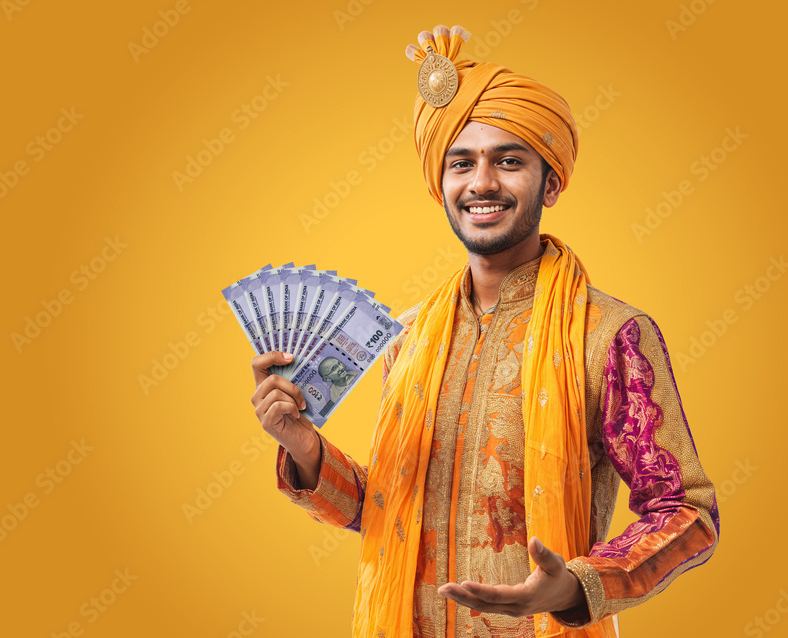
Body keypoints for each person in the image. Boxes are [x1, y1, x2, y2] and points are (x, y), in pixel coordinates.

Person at [249, 24, 718, 638]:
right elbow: (386, 512)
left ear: (550, 183)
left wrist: (581, 584)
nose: (482, 183)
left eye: (510, 160)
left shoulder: (609, 334)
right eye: (462, 162)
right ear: (440, 185)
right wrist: (304, 448)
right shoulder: (408, 336)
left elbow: (686, 513)